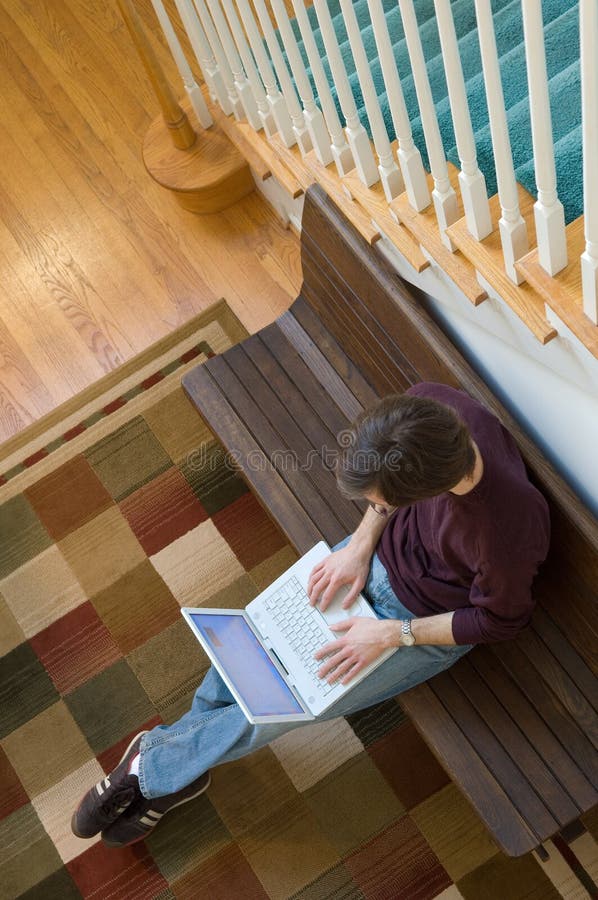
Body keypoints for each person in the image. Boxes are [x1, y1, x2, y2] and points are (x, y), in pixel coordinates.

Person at [71, 381, 550, 848]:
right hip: (371, 562)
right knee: (256, 640)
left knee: (283, 704)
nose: (376, 506)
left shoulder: (509, 527)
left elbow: (497, 622)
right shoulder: (427, 409)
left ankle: (147, 770)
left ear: (430, 492)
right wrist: (362, 543)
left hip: (417, 622)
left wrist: (389, 634)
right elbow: (386, 498)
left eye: (383, 502)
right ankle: (181, 774)